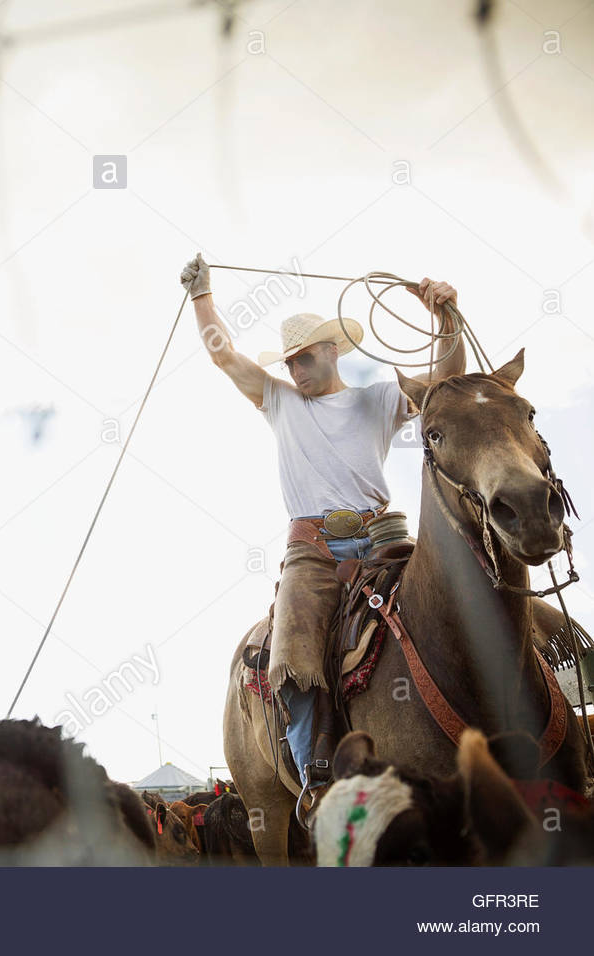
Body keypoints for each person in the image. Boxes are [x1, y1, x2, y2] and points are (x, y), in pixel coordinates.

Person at [178, 253, 462, 793]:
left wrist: (445, 318)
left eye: (305, 358)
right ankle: (317, 780)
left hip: (384, 539)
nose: (296, 370)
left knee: (452, 605)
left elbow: (445, 383)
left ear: (332, 352)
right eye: (290, 363)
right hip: (312, 552)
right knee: (295, 656)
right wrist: (202, 297)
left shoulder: (378, 398)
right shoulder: (279, 402)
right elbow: (225, 358)